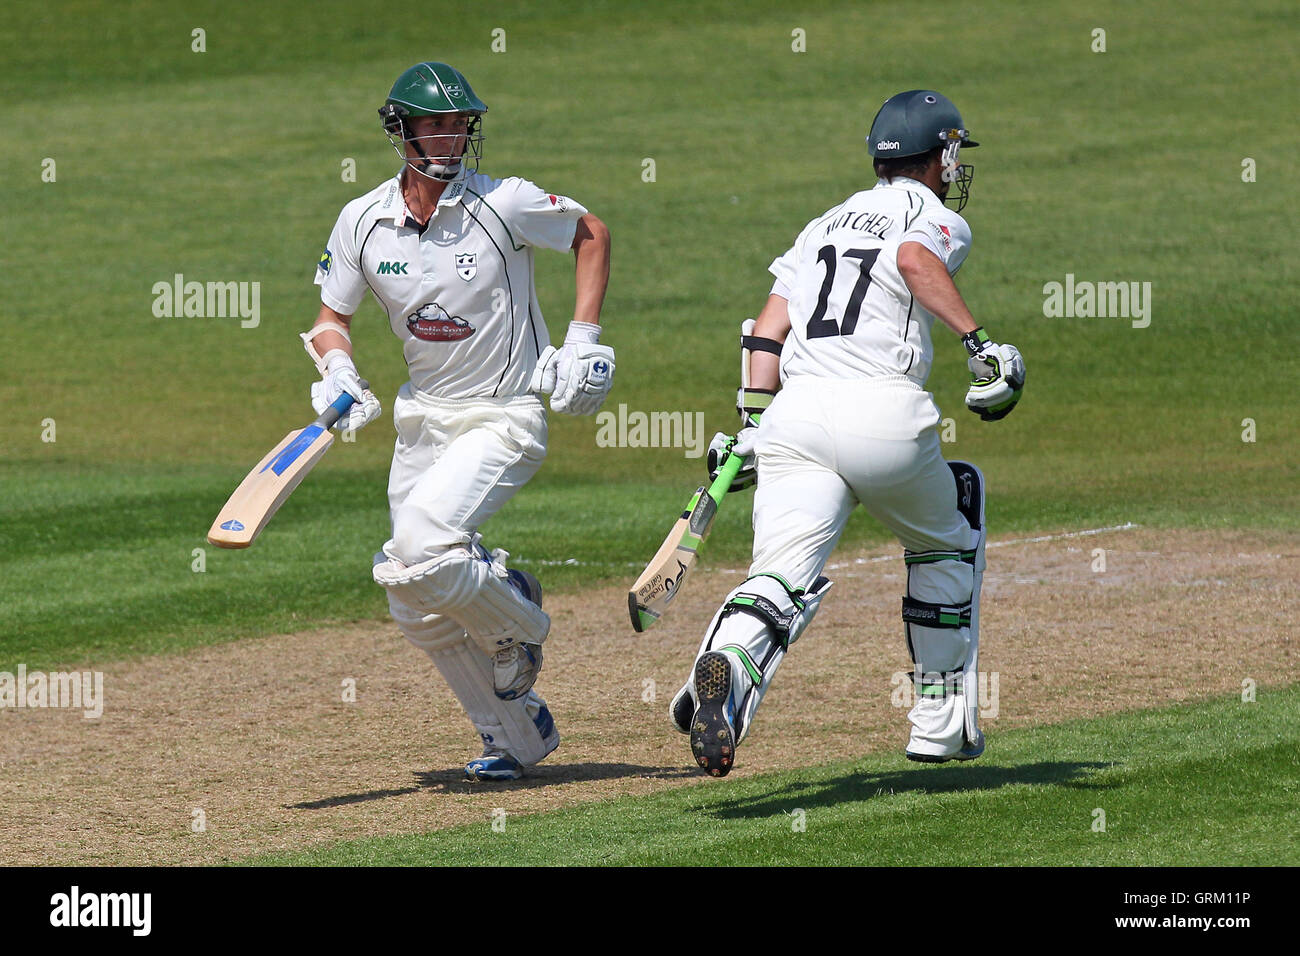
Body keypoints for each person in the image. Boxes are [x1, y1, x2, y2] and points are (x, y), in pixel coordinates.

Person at [670, 90, 1025, 776]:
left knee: (777, 575)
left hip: (796, 417)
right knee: (948, 534)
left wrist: (751, 423)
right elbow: (917, 264)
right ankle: (938, 727)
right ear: (941, 155)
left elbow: (768, 327)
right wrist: (981, 345)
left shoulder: (823, 223)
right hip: (881, 414)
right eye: (953, 154)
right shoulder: (929, 213)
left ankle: (729, 670)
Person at [304, 62, 613, 780]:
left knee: (423, 542)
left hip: (503, 418)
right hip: (423, 423)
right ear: (401, 130)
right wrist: (338, 372)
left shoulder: (503, 203)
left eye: (460, 126)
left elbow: (590, 232)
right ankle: (513, 737)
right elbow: (330, 319)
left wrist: (583, 340)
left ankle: (521, 621)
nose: (449, 139)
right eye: (435, 125)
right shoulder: (362, 221)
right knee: (411, 598)